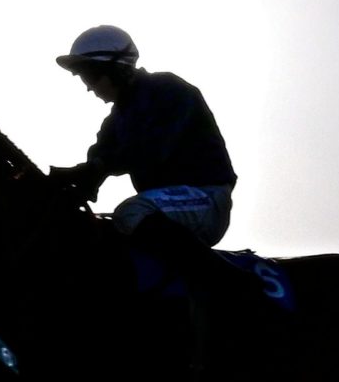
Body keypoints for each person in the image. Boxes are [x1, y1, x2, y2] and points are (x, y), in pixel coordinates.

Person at [47, 25, 238, 261]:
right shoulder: (114, 123)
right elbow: (97, 165)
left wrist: (94, 168)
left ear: (114, 69)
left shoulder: (168, 90)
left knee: (130, 213)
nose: (89, 87)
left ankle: (223, 280)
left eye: (90, 77)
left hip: (208, 200)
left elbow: (151, 150)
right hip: (167, 205)